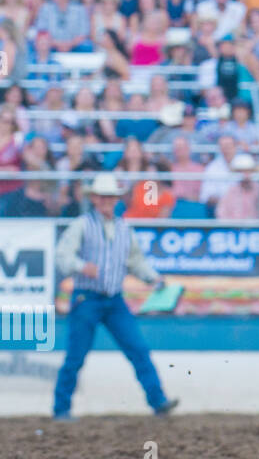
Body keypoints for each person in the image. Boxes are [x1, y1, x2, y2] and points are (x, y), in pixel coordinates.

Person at [52, 174, 178, 420]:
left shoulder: (124, 229)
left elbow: (135, 262)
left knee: (138, 349)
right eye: (103, 197)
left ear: (115, 199)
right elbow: (63, 257)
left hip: (113, 299)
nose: (106, 201)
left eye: (110, 197)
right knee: (76, 355)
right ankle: (61, 408)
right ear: (95, 199)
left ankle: (158, 401)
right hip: (87, 298)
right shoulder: (82, 225)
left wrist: (153, 278)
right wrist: (80, 266)